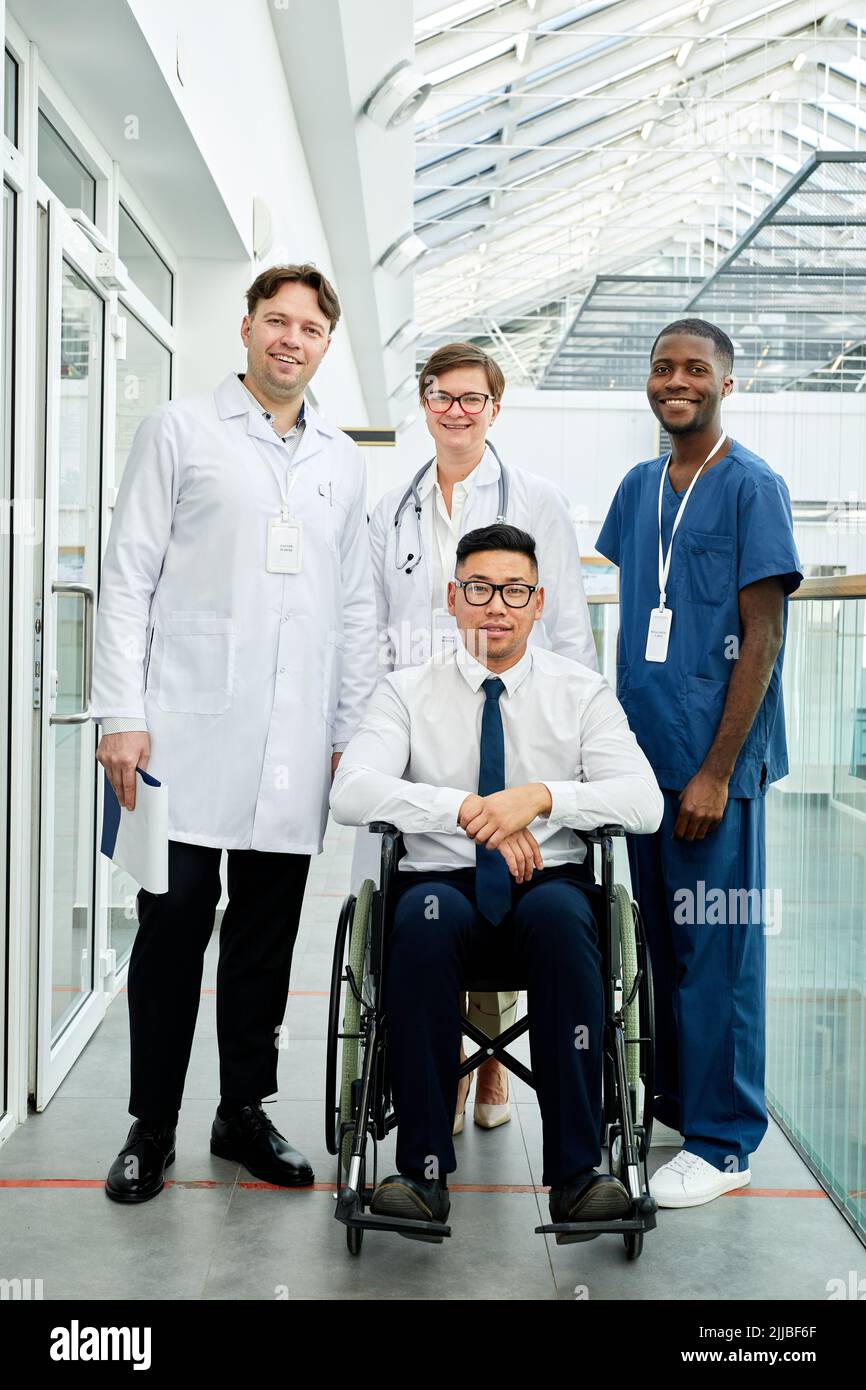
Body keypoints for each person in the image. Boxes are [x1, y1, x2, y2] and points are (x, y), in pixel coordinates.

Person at [91, 263, 378, 1203]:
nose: (291, 339)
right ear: (247, 329)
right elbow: (127, 574)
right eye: (276, 321)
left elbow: (355, 607)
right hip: (182, 730)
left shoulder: (342, 458)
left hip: (294, 743)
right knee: (173, 927)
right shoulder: (182, 428)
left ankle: (242, 1111)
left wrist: (352, 733)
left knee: (267, 934)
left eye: (310, 328)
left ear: (326, 345)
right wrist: (121, 716)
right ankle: (152, 1124)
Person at [330, 524, 663, 1239]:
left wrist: (541, 798)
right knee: (422, 922)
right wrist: (469, 812)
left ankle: (578, 1175)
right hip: (440, 882)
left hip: (549, 880)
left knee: (563, 923)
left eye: (514, 591)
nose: (496, 607)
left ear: (539, 603)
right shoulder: (405, 692)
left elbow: (644, 801)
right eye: (479, 589)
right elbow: (351, 793)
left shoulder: (580, 692)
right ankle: (419, 1169)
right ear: (452, 599)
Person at [596, 318, 803, 1210]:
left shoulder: (755, 487)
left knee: (717, 949)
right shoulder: (639, 485)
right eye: (662, 368)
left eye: (695, 369)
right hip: (642, 766)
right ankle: (678, 1108)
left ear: (727, 381)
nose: (676, 382)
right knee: (656, 947)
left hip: (716, 770)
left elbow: (764, 634)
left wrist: (718, 768)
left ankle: (724, 1144)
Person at [365, 342, 598, 1134]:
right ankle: (442, 1077)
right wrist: (358, 732)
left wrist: (563, 737)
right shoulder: (394, 505)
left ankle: (489, 1065)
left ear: (495, 408)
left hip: (517, 708)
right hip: (424, 715)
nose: (456, 410)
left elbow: (565, 625)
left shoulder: (537, 499)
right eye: (441, 395)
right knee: (436, 887)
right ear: (423, 403)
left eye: (472, 398)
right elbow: (367, 623)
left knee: (519, 880)